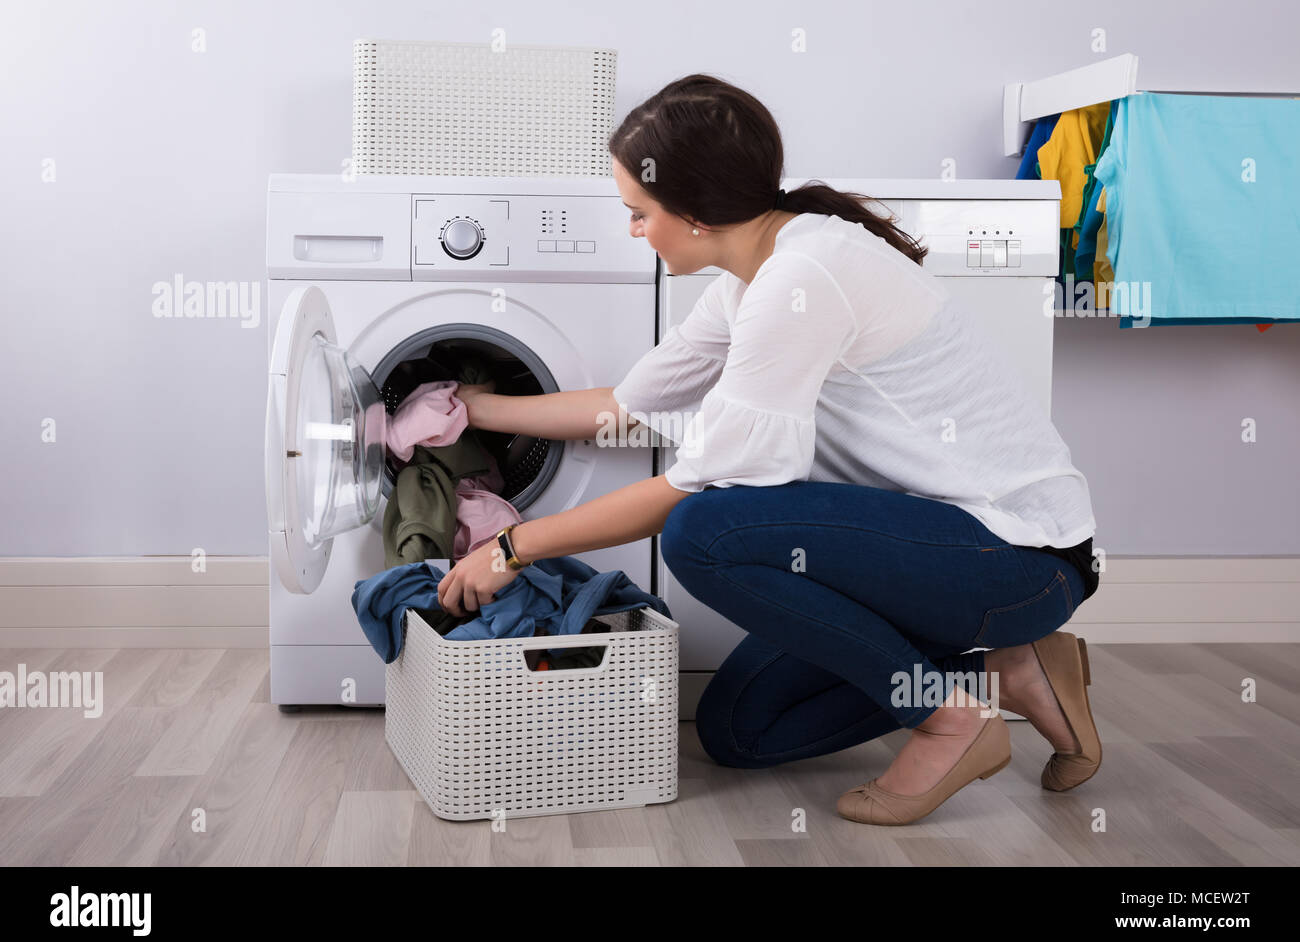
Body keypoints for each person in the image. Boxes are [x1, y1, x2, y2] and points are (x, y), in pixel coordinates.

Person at [439, 73, 1102, 826]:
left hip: (1017, 557)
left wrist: (511, 547)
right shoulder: (750, 278)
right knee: (740, 731)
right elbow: (625, 407)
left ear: (693, 214)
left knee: (705, 534)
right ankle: (1010, 673)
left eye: (638, 213)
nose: (634, 231)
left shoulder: (804, 278)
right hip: (931, 552)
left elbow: (693, 493)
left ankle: (950, 720)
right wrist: (470, 410)